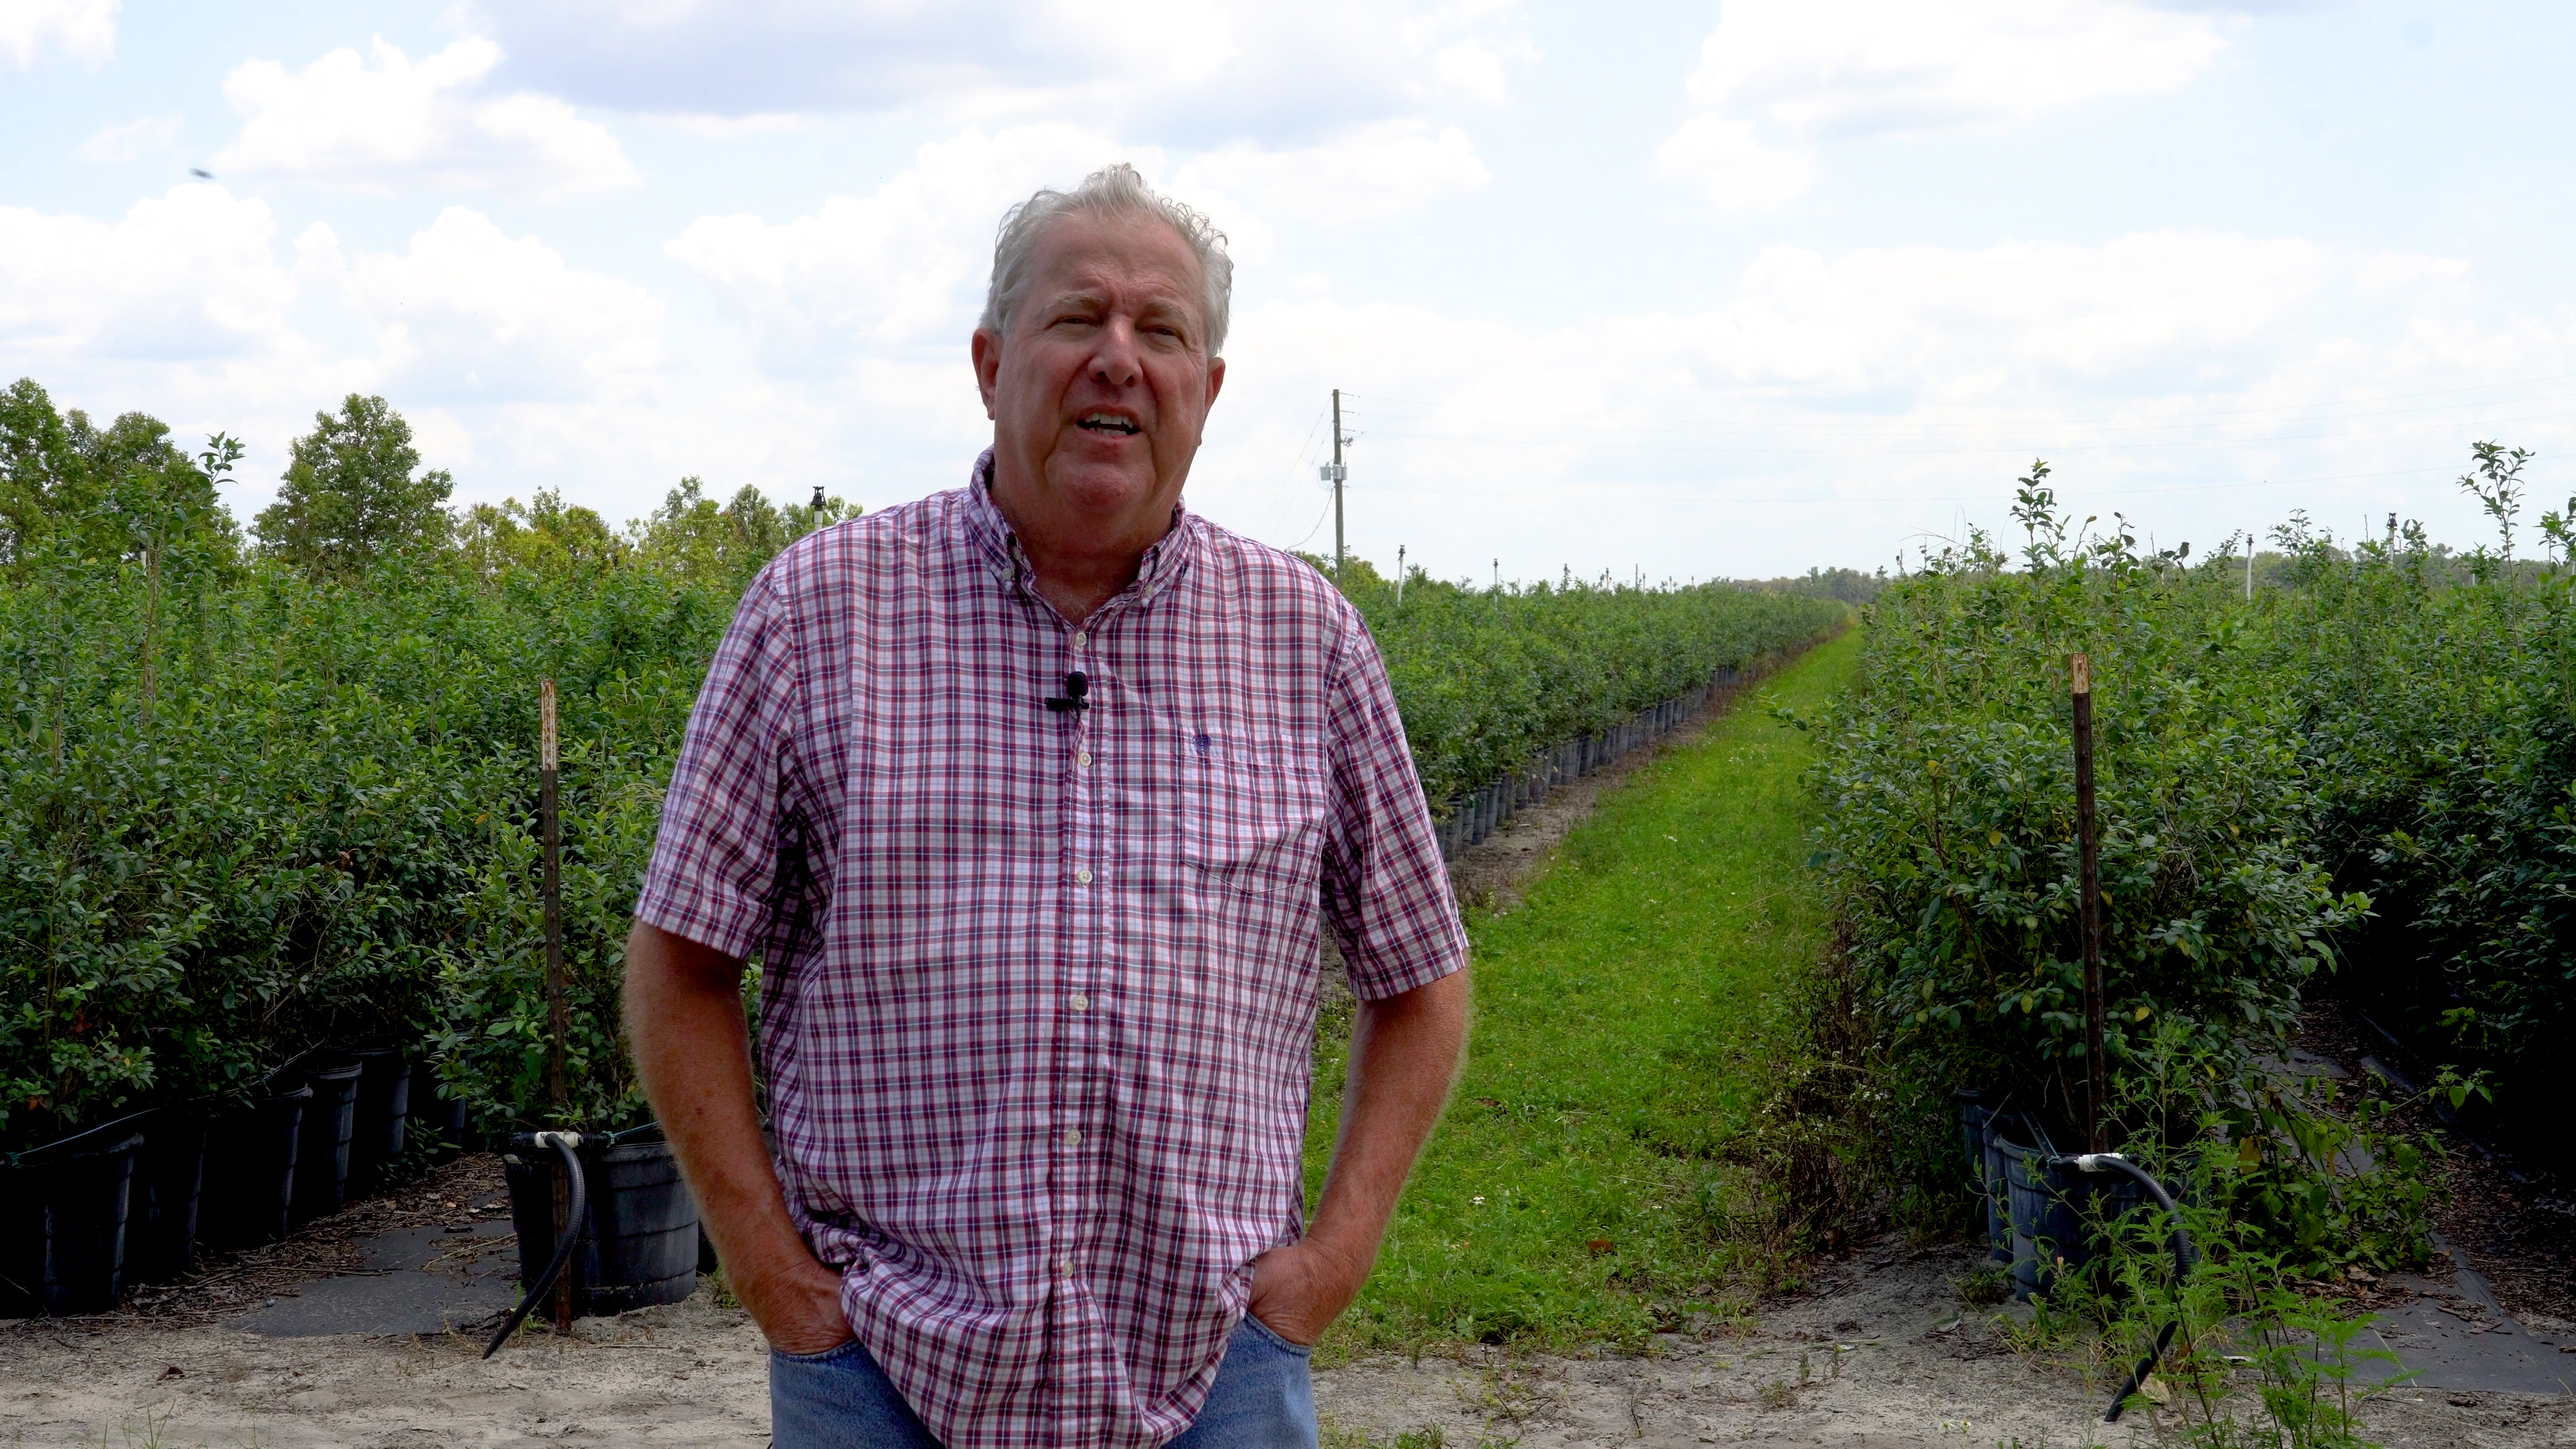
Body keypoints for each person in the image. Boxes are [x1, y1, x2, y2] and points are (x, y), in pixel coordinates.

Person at [623, 163, 1470, 1449]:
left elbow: (1421, 976)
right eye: (1079, 319)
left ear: (1210, 389)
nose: (1119, 361)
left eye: (1162, 331)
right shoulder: (816, 614)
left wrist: (1325, 1267)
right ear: (990, 361)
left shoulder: (1307, 644)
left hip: (1215, 1375)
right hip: (880, 1368)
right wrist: (773, 1279)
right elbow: (680, 961)